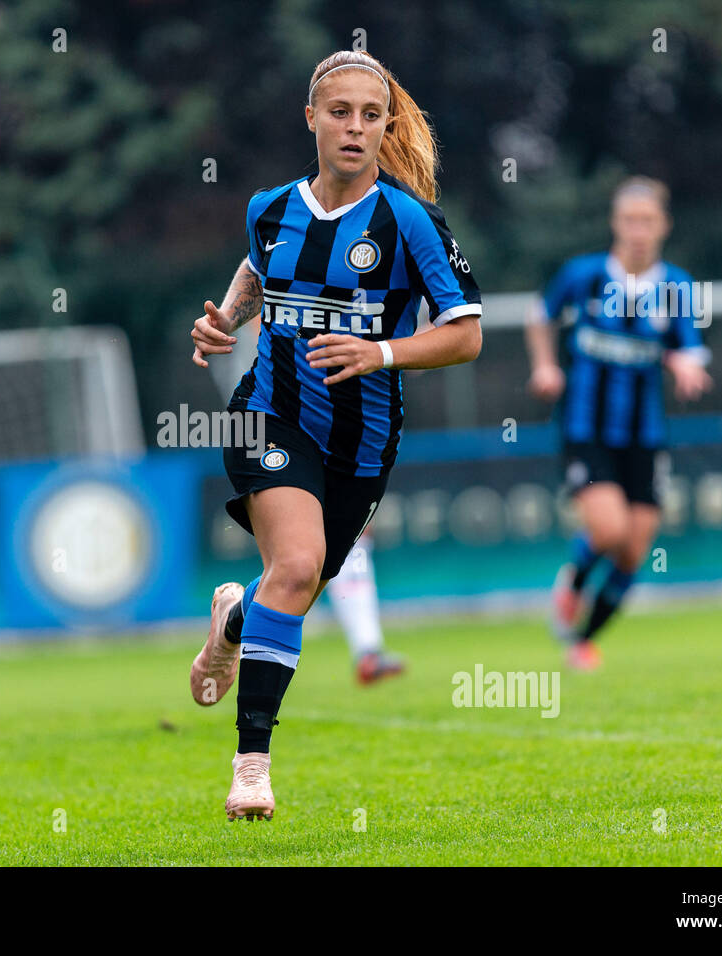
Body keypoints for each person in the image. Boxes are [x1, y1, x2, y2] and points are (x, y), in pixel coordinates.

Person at [188, 50, 483, 821]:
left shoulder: (408, 221)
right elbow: (258, 273)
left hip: (364, 441)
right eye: (341, 112)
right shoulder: (268, 208)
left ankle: (232, 621)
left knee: (294, 589)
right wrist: (224, 322)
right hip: (269, 416)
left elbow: (465, 335)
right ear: (311, 118)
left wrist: (381, 351)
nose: (355, 127)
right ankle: (251, 765)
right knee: (297, 565)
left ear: (387, 126)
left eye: (371, 115)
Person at [524, 177, 712, 671]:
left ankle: (581, 640)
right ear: (615, 223)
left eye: (647, 221)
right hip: (586, 430)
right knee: (608, 529)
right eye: (630, 220)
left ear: (663, 226)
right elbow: (538, 315)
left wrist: (687, 363)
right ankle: (573, 582)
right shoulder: (582, 277)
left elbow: (688, 342)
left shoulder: (676, 286)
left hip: (645, 435)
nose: (638, 231)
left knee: (633, 552)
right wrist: (545, 365)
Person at [210, 316, 403, 685]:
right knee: (296, 563)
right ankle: (364, 648)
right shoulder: (283, 273)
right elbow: (262, 323)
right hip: (277, 418)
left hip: (337, 423)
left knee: (329, 552)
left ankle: (237, 621)